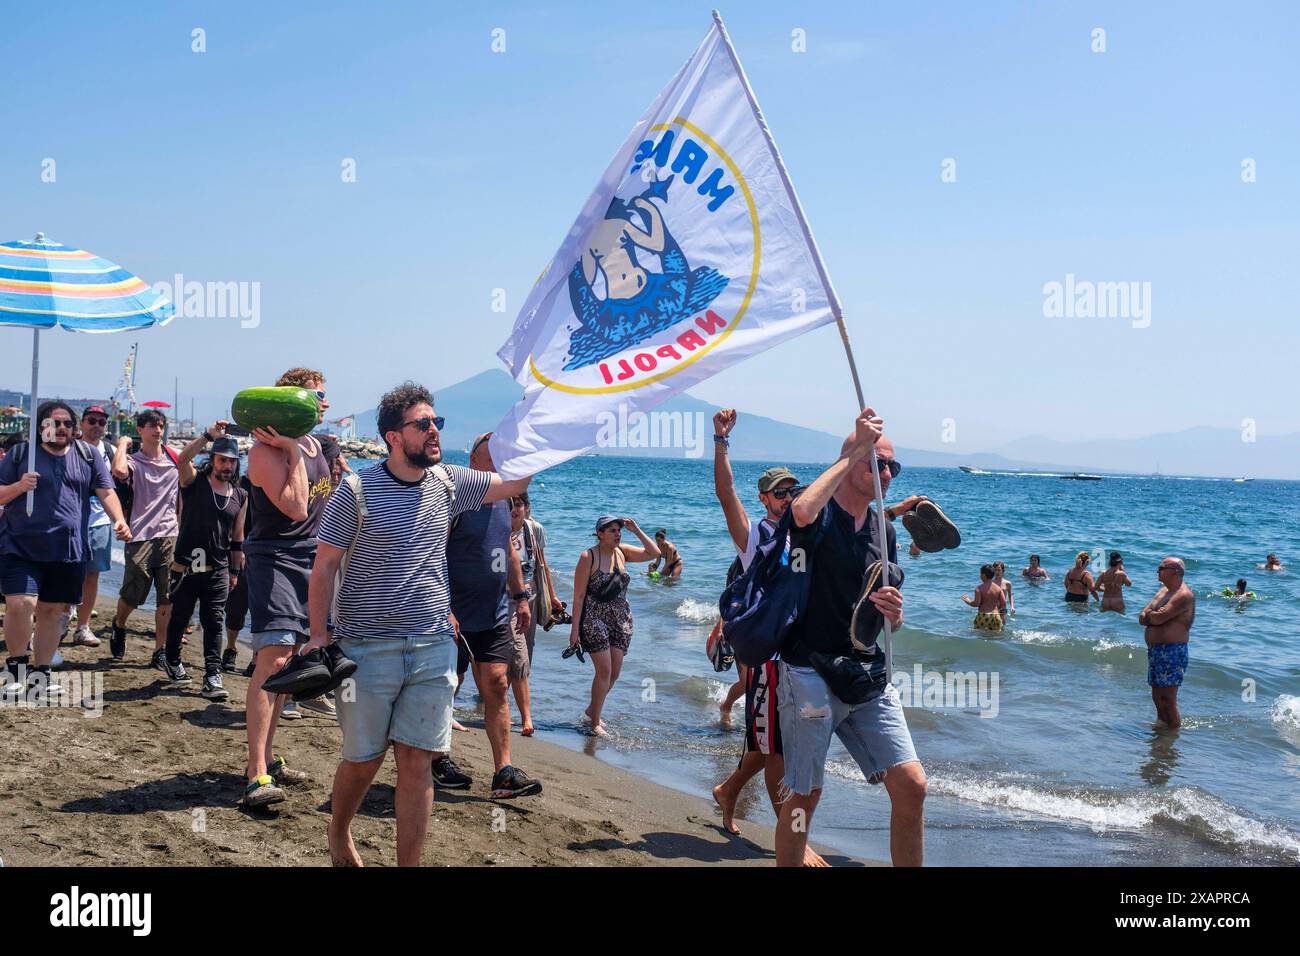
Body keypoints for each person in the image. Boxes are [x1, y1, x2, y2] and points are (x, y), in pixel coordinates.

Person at [307, 382, 533, 865]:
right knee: (364, 759)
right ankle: (339, 830)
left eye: (437, 422)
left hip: (433, 645)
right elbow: (324, 565)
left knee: (416, 762)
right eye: (423, 424)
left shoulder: (450, 482)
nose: (435, 431)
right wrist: (320, 637)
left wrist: (545, 433)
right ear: (393, 436)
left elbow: (512, 485)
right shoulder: (357, 489)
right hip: (365, 646)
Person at [776, 409, 925, 868]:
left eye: (891, 467)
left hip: (864, 671)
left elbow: (884, 620)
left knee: (912, 786)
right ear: (848, 461)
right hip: (808, 668)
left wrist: (894, 615)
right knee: (806, 794)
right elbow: (799, 510)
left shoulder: (887, 532)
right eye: (874, 462)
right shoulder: (816, 516)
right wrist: (856, 446)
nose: (885, 474)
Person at [707, 408, 828, 864]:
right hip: (769, 661)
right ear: (764, 499)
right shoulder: (757, 535)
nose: (787, 498)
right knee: (778, 748)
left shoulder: (806, 535)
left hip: (804, 658)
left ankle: (728, 789)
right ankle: (796, 840)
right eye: (779, 493)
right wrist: (721, 442)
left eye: (792, 491)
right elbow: (724, 494)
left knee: (774, 741)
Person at [240, 367, 333, 807]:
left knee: (290, 664)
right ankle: (256, 772)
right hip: (273, 558)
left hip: (311, 561)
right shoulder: (264, 453)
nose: (325, 403)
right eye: (316, 396)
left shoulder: (319, 447)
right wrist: (292, 450)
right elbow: (296, 508)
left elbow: (325, 507)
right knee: (273, 659)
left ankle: (269, 757)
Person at [0, 401, 129, 699]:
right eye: (53, 423)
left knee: (54, 612)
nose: (60, 428)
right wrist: (20, 486)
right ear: (41, 426)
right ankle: (17, 669)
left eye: (66, 424)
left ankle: (40, 673)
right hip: (21, 546)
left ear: (74, 428)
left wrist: (119, 519)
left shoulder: (87, 455)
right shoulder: (23, 455)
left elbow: (106, 490)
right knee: (21, 604)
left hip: (68, 548)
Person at [444, 431, 542, 798]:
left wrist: (520, 596)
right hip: (451, 612)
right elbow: (433, 553)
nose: (503, 463)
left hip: (494, 611)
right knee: (445, 687)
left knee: (498, 683)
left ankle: (503, 771)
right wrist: (443, 607)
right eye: (494, 457)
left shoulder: (503, 501)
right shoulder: (455, 501)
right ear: (474, 462)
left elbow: (509, 550)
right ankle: (437, 758)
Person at [159, 427, 247, 701]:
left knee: (214, 621)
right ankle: (171, 659)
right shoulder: (194, 482)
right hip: (186, 567)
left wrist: (234, 571)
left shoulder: (240, 495)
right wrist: (208, 436)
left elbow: (237, 536)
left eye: (231, 461)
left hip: (218, 569)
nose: (227, 466)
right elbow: (182, 460)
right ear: (213, 459)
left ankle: (212, 675)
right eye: (222, 460)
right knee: (180, 618)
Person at [569, 514, 660, 736]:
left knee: (615, 673)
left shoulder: (623, 552)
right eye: (612, 530)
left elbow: (655, 554)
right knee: (604, 670)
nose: (617, 534)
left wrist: (637, 530)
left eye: (619, 530)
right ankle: (595, 722)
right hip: (594, 618)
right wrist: (574, 631)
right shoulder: (588, 556)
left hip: (620, 618)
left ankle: (592, 709)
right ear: (600, 534)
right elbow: (579, 596)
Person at [110, 409, 180, 665]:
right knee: (134, 592)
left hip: (170, 533)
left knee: (167, 596)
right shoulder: (133, 461)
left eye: (160, 425)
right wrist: (122, 442)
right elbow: (117, 471)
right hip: (139, 534)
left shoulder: (173, 457)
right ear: (140, 430)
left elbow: (189, 476)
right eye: (151, 425)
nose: (158, 430)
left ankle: (159, 650)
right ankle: (119, 624)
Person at [71, 406, 115, 647]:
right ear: (82, 423)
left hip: (100, 521)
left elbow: (120, 477)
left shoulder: (110, 450)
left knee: (92, 575)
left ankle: (83, 626)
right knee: (66, 572)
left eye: (101, 422)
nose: (96, 425)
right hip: (72, 520)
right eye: (91, 421)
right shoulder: (70, 448)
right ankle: (61, 619)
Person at [1138, 557, 1195, 729]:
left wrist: (1153, 615)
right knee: (1157, 696)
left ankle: (1173, 734)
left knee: (1168, 699)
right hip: (1156, 651)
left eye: (1162, 568)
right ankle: (1162, 731)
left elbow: (1157, 618)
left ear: (1176, 572)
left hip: (1172, 651)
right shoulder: (1163, 591)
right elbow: (1142, 617)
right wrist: (1152, 615)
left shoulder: (1184, 595)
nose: (1158, 570)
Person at [507, 492, 546, 737]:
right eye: (510, 504)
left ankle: (496, 704)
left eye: (519, 504)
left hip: (530, 598)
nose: (514, 509)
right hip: (506, 601)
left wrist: (550, 597)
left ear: (527, 508)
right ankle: (526, 718)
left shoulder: (534, 530)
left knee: (525, 656)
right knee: (519, 656)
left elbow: (542, 564)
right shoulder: (497, 529)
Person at [963, 564, 1005, 633]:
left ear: (984, 575)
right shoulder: (998, 589)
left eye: (980, 574)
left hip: (983, 616)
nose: (980, 576)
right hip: (995, 616)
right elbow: (1003, 604)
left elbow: (976, 604)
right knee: (995, 637)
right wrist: (1003, 616)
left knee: (979, 635)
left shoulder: (979, 588)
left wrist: (968, 601)